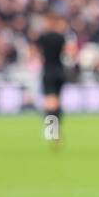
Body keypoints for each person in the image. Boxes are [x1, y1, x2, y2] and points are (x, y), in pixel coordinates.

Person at [35, 14, 71, 145]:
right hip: (60, 72)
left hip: (48, 72)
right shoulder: (61, 38)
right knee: (57, 102)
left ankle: (53, 133)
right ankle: (57, 131)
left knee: (50, 103)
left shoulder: (43, 37)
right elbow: (67, 52)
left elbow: (35, 50)